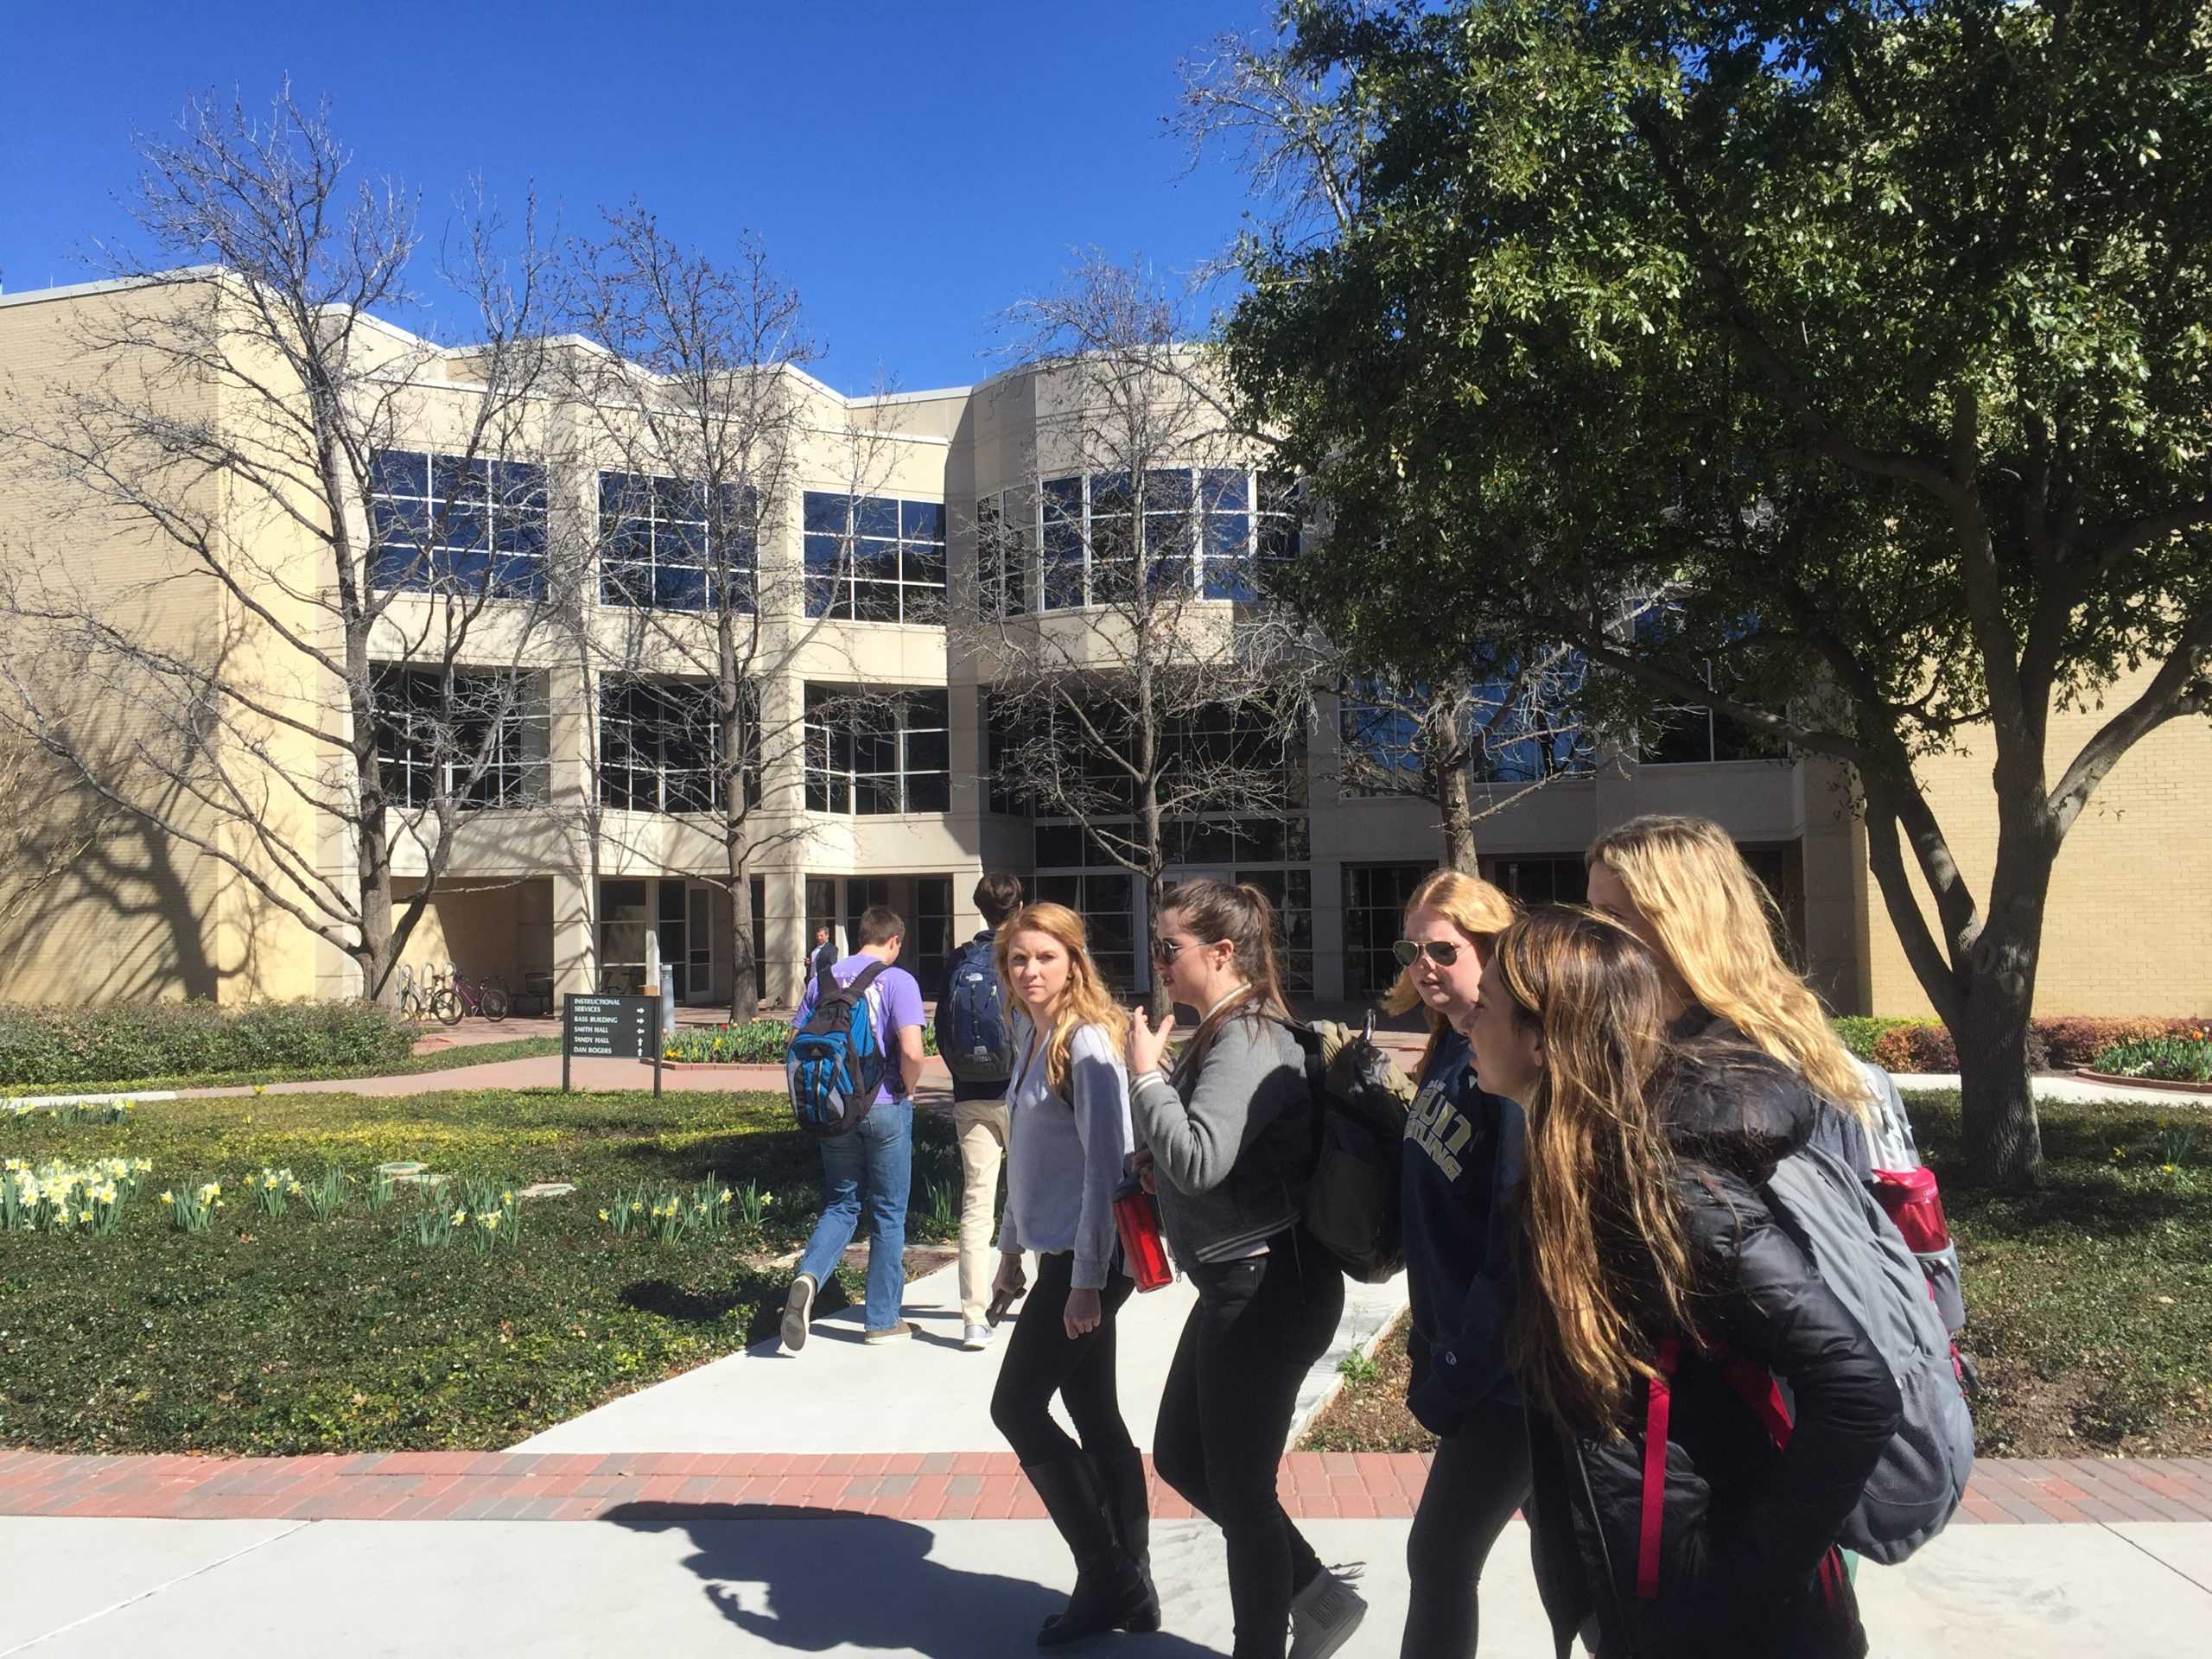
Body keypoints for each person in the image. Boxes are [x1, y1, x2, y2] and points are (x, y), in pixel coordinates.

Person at [1469, 907, 1900, 1658]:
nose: (1468, 1023)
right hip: (1646, 1603)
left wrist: (1740, 1587)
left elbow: (1857, 1388)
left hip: (1740, 1626)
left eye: (1485, 1008)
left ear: (1542, 1039)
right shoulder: (1562, 1176)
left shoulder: (1667, 1193)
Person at [1126, 879, 1363, 1659]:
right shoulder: (1223, 1032)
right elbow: (1208, 1157)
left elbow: (1198, 1158)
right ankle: (1317, 1597)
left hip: (1269, 1286)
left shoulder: (1247, 1036)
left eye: (1171, 947)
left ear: (1221, 953)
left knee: (1239, 1489)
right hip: (1241, 1279)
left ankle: (1269, 1637)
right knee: (1183, 1456)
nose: (1158, 960)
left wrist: (1147, 1077)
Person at [986, 901, 1154, 1647]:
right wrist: (1009, 1250)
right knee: (1093, 1415)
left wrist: (1086, 1279)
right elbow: (1027, 1159)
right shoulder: (1035, 1034)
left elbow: (1106, 1169)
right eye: (1019, 959)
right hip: (1059, 1254)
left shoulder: (1087, 1043)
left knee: (1016, 1409)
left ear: (1074, 962)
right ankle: (1133, 1586)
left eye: (1045, 958)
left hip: (1090, 1259)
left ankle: (1108, 1573)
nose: (1030, 972)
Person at [1381, 869, 1526, 1657]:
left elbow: (1516, 1239)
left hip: (1510, 1370)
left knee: (1437, 1557)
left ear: (1492, 951)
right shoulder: (1447, 1046)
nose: (1426, 965)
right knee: (1573, 1559)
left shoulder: (1510, 1061)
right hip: (1463, 1351)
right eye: (1415, 950)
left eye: (1445, 948)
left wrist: (1461, 1369)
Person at [1586, 815, 1875, 1177]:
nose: (1593, 934)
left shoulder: (1765, 1057)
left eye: (1614, 916)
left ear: (1683, 922)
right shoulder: (1621, 1029)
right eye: (1592, 913)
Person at [782, 906, 928, 1349]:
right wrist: (907, 1087)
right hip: (884, 1106)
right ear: (894, 942)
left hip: (835, 1108)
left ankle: (808, 1277)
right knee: (887, 1212)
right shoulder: (898, 980)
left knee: (842, 1204)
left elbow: (795, 1044)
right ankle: (882, 1321)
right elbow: (913, 1050)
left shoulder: (821, 981)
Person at [938, 872, 1024, 1350]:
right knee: (1030, 1189)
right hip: (1015, 1091)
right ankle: (1013, 1271)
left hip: (968, 1093)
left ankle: (973, 1317)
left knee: (976, 1202)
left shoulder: (959, 959)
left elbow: (941, 1030)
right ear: (1019, 905)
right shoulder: (1023, 956)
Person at [808, 923, 839, 988]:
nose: (819, 938)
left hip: (823, 981)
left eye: (821, 936)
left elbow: (831, 965)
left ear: (827, 936)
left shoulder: (832, 949)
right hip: (811, 979)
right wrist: (808, 962)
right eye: (817, 936)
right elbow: (811, 961)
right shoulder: (814, 948)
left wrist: (821, 975)